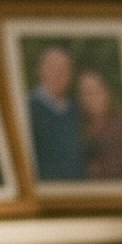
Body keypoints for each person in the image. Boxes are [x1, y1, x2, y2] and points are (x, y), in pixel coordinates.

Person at [27, 44, 86, 182]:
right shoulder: (27, 109)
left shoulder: (78, 109)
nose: (59, 74)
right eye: (53, 68)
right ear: (40, 70)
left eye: (65, 69)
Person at [77, 68, 122, 181]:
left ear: (106, 92)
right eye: (86, 93)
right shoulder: (76, 129)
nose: (92, 97)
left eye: (96, 91)